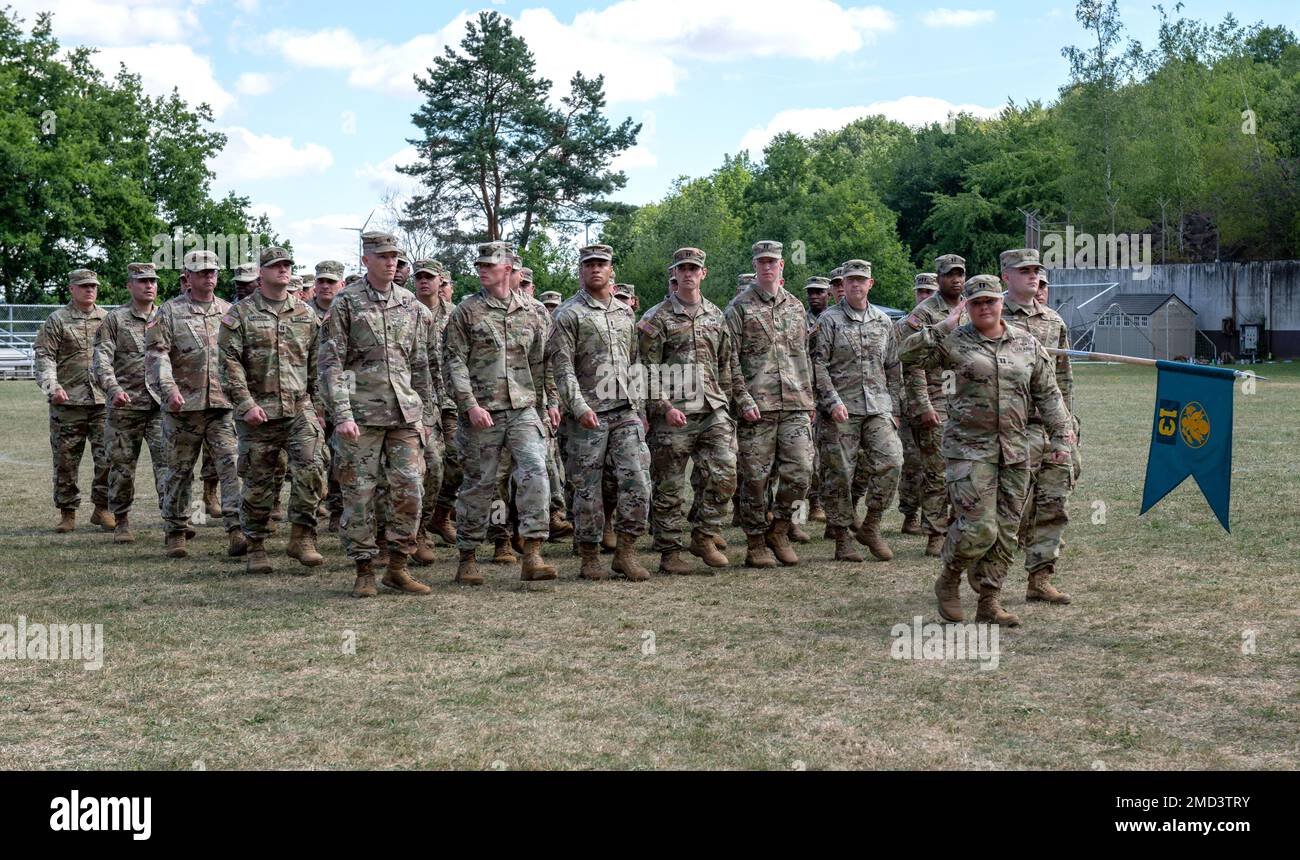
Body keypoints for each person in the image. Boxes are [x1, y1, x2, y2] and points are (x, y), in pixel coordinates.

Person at [899, 275, 1073, 627]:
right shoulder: (954, 342)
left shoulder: (1025, 344)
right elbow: (903, 353)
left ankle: (989, 601)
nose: (984, 308)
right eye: (976, 302)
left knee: (1007, 531)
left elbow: (1049, 394)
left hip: (1014, 450)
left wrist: (1061, 437)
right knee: (980, 528)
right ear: (967, 305)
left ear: (1000, 302)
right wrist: (941, 326)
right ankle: (949, 576)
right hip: (968, 451)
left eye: (990, 301)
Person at [318, 231, 437, 597]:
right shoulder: (346, 304)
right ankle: (365, 568)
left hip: (404, 415)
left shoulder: (414, 307)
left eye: (396, 257)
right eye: (382, 256)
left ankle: (398, 566)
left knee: (410, 489)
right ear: (366, 260)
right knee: (359, 494)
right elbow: (332, 363)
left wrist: (426, 417)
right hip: (360, 416)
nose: (391, 262)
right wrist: (341, 414)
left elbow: (422, 366)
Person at [442, 242, 554, 584]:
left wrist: (547, 404)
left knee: (535, 471)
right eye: (480, 264)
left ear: (508, 269)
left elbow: (541, 362)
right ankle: (468, 556)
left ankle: (532, 552)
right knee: (479, 484)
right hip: (482, 412)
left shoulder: (534, 312)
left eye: (489, 264)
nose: (482, 269)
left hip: (523, 408)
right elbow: (453, 363)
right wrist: (469, 405)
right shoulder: (466, 312)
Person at [217, 246, 327, 574]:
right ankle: (256, 545)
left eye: (287, 265)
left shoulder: (306, 315)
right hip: (258, 414)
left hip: (299, 409)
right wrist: (246, 403)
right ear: (261, 272)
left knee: (312, 470)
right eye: (276, 265)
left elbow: (316, 365)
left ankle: (302, 537)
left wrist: (318, 406)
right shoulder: (239, 314)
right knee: (257, 483)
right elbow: (228, 364)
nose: (283, 270)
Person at [547, 244, 652, 581]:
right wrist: (578, 408)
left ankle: (626, 552)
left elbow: (633, 362)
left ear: (612, 271)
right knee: (587, 488)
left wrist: (640, 407)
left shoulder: (624, 313)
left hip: (624, 410)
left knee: (636, 481)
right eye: (589, 264)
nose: (595, 269)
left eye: (602, 264)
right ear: (581, 271)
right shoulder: (568, 314)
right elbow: (562, 368)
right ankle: (590, 555)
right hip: (588, 414)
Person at [637, 247, 737, 575]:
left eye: (694, 268)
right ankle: (669, 551)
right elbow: (645, 370)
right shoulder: (656, 318)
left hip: (711, 407)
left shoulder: (715, 315)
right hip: (673, 413)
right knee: (669, 485)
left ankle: (705, 534)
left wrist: (728, 400)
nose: (689, 273)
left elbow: (725, 363)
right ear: (675, 273)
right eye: (683, 268)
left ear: (703, 273)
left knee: (725, 473)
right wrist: (662, 407)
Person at [146, 250, 243, 558]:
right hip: (183, 407)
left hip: (221, 406)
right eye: (202, 273)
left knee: (231, 467)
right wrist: (169, 388)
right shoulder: (168, 312)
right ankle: (176, 530)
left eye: (213, 272)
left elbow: (237, 357)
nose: (209, 277)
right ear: (187, 278)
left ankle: (236, 530)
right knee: (179, 470)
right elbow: (157, 355)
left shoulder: (228, 312)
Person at [725, 241, 816, 568]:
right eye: (762, 261)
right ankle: (756, 542)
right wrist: (742, 398)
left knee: (801, 471)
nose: (767, 267)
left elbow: (803, 355)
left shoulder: (795, 306)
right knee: (755, 478)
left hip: (794, 403)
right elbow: (728, 361)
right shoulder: (738, 307)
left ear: (781, 266)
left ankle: (779, 528)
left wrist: (809, 397)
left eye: (773, 261)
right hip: (757, 407)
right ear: (755, 264)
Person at [810, 260, 903, 563]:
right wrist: (832, 401)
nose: (855, 285)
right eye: (850, 280)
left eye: (861, 280)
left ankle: (872, 524)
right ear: (843, 284)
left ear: (870, 284)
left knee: (892, 461)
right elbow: (818, 365)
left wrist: (895, 406)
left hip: (877, 406)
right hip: (841, 409)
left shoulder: (882, 321)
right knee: (839, 473)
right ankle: (841, 537)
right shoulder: (829, 320)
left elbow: (892, 366)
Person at [999, 249, 1076, 605]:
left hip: (1049, 428)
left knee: (1053, 502)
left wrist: (1068, 425)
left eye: (1036, 271)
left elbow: (1064, 380)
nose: (1032, 276)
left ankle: (1040, 577)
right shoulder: (992, 317)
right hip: (1009, 429)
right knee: (1008, 509)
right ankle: (990, 583)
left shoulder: (1054, 321)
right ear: (1006, 276)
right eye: (1024, 270)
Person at [93, 262, 166, 543]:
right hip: (126, 407)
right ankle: (122, 521)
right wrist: (112, 389)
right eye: (142, 281)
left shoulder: (165, 317)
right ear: (130, 286)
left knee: (169, 466)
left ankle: (173, 523)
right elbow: (101, 360)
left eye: (153, 281)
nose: (149, 285)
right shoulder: (115, 319)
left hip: (161, 407)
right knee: (122, 468)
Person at [34, 268, 111, 533]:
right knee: (66, 461)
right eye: (84, 286)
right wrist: (51, 386)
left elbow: (119, 357)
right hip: (67, 404)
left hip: (103, 402)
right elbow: (44, 356)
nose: (90, 290)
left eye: (93, 286)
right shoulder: (57, 320)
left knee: (108, 459)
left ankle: (102, 509)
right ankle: (68, 513)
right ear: (72, 289)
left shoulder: (107, 319)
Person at [901, 254, 966, 557]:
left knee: (968, 469)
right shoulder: (925, 312)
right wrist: (923, 404)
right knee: (938, 471)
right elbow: (912, 364)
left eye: (960, 274)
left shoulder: (972, 307)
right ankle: (936, 533)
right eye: (950, 274)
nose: (956, 279)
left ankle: (962, 527)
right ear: (938, 278)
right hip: (936, 398)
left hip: (967, 400)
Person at [895, 273, 938, 535]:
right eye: (921, 292)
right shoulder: (903, 326)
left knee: (937, 465)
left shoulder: (951, 324)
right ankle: (909, 514)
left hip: (942, 402)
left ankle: (931, 516)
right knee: (912, 462)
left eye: (929, 292)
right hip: (908, 404)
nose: (925, 296)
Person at [803, 276, 832, 525]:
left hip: (834, 396)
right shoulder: (800, 319)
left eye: (819, 292)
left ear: (829, 294)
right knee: (810, 455)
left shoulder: (834, 319)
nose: (814, 296)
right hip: (809, 395)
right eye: (811, 292)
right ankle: (814, 502)